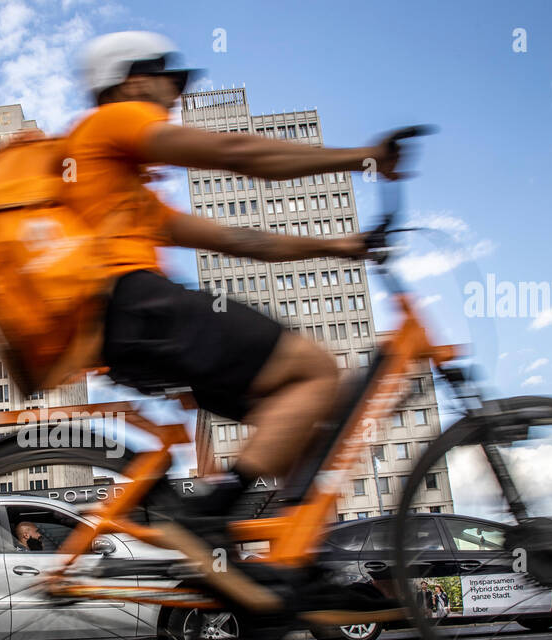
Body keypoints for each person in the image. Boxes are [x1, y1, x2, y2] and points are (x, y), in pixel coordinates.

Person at [62, 32, 412, 608]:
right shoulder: (110, 123)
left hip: (131, 325)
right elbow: (240, 154)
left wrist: (339, 246)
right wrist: (363, 157)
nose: (177, 92)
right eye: (169, 78)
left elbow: (240, 239)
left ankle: (291, 562)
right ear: (128, 80)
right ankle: (207, 521)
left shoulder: (126, 196)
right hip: (138, 306)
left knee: (306, 414)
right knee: (317, 371)